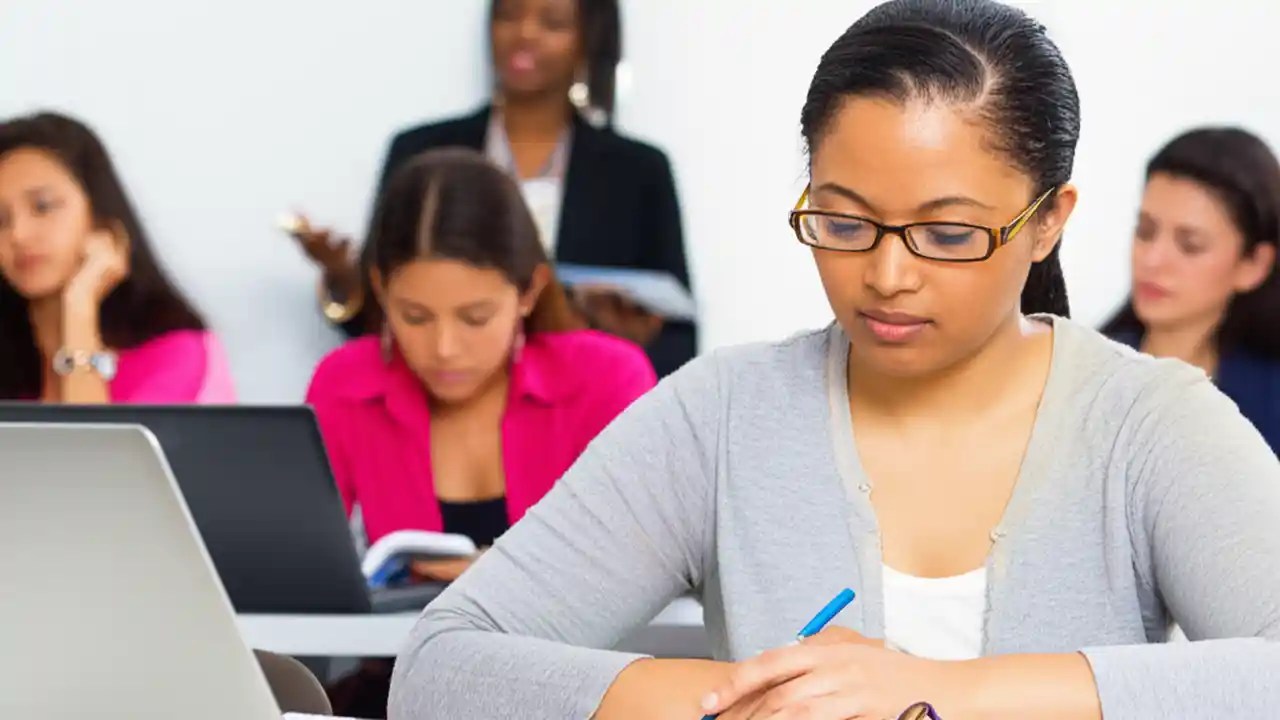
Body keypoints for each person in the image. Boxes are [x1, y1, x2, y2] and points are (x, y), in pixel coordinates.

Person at [386, 1, 1280, 718]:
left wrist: (938, 693)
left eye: (947, 232)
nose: (887, 277)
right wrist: (739, 700)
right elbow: (440, 665)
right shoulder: (722, 415)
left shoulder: (1150, 424)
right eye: (845, 223)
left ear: (1048, 220)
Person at [291, 0, 696, 378]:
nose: (525, 34)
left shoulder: (639, 170)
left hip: (578, 407)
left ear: (590, 38)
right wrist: (345, 280)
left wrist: (617, 343)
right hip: (438, 404)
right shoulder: (421, 151)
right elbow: (388, 321)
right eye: (508, 15)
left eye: (552, 23)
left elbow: (679, 339)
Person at [305, 147, 656, 579]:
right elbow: (293, 565)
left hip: (567, 647)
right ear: (379, 288)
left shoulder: (608, 379)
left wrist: (507, 572)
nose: (445, 347)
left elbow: (648, 563)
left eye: (476, 318)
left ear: (528, 291)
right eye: (414, 317)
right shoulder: (346, 384)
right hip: (402, 648)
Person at [0, 112, 234, 404]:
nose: (18, 234)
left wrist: (79, 307)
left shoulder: (176, 351)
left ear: (99, 216)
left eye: (43, 206)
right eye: (0, 219)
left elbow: (92, 446)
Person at [1103, 128, 1280, 453]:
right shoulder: (1076, 373)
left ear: (1254, 264)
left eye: (1190, 245)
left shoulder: (1269, 403)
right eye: (1145, 231)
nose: (1153, 259)